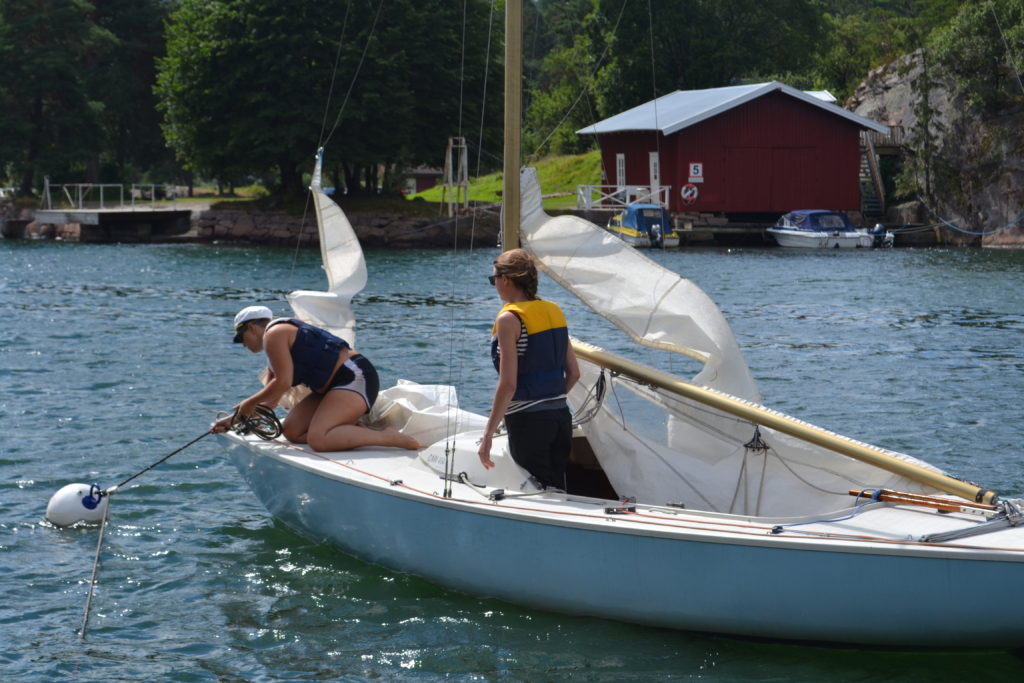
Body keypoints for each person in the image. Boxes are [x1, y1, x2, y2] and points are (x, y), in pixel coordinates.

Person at [212, 305, 421, 451]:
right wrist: (234, 420)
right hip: (331, 389)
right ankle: (350, 430)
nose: (243, 344)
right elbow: (271, 401)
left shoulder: (274, 334)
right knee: (292, 431)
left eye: (242, 339)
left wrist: (248, 402)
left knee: (318, 439)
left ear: (251, 328)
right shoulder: (274, 349)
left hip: (354, 378)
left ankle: (388, 437)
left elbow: (283, 383)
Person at [478, 249, 581, 489]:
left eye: (493, 279)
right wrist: (551, 399)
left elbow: (508, 384)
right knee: (556, 490)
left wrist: (488, 436)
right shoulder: (554, 311)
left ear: (505, 279)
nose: (494, 284)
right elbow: (574, 373)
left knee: (538, 494)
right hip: (560, 418)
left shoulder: (509, 320)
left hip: (529, 422)